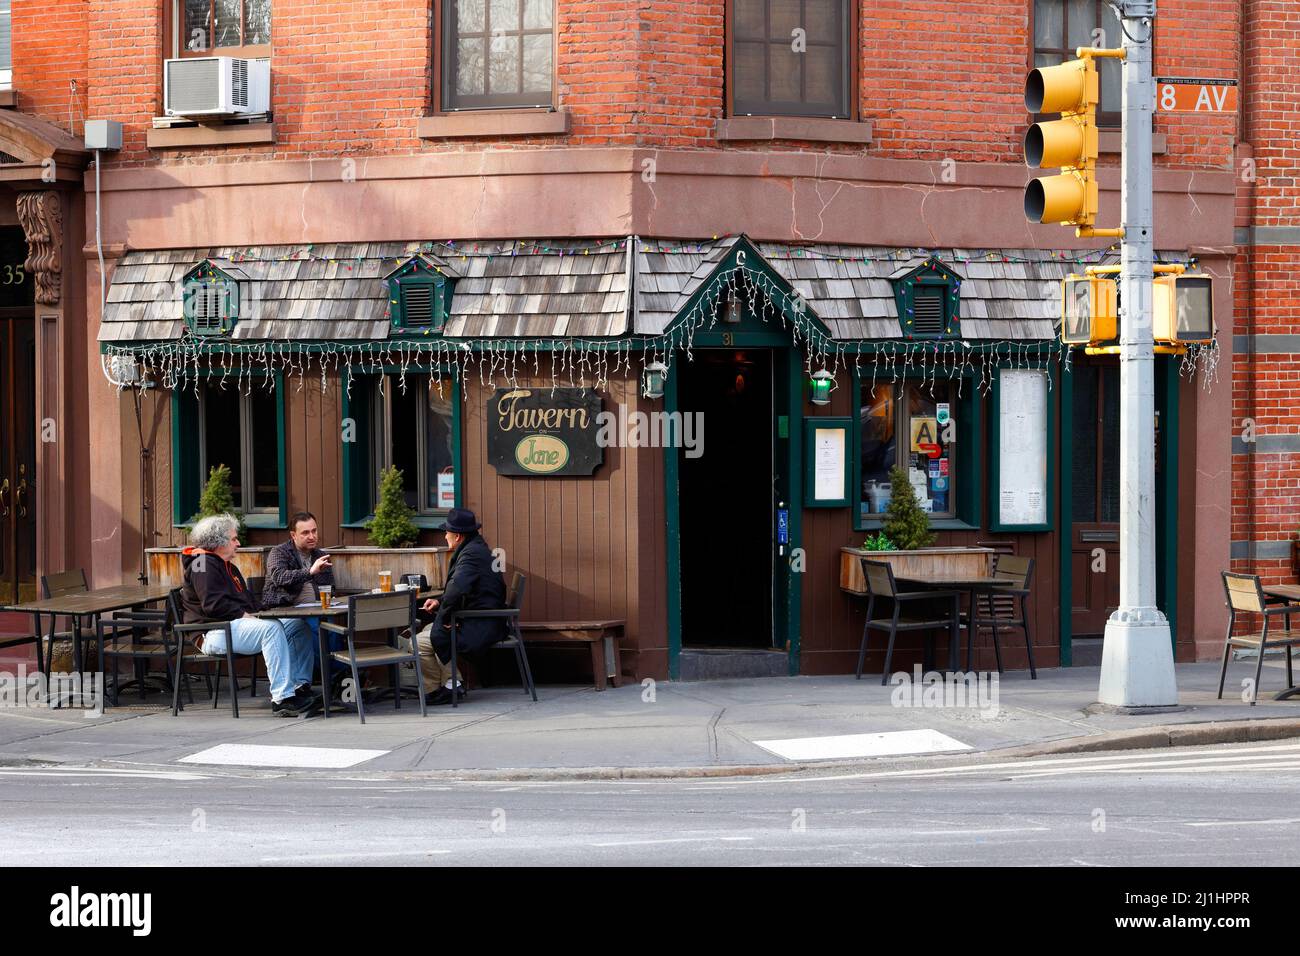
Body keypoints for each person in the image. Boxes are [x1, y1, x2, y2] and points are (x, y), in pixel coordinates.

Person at [178, 513, 321, 717]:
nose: (238, 543)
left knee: (296, 625)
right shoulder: (202, 563)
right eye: (234, 538)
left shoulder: (227, 566)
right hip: (212, 632)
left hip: (232, 626)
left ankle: (300, 688)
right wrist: (246, 615)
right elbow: (212, 605)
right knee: (271, 630)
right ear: (219, 542)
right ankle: (282, 699)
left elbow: (248, 601)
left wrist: (267, 611)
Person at [414, 508, 508, 705]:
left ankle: (443, 688)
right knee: (431, 631)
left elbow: (457, 588)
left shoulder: (471, 556)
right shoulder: (476, 548)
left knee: (420, 642)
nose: (444, 535)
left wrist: (446, 618)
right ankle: (446, 685)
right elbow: (460, 588)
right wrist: (440, 602)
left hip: (482, 624)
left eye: (446, 532)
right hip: (484, 619)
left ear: (457, 536)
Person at [262, 511, 333, 609]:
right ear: (293, 535)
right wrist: (310, 571)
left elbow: (329, 587)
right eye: (305, 533)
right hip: (284, 609)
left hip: (319, 610)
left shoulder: (321, 556)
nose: (312, 537)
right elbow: (279, 577)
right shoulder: (279, 552)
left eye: (314, 531)